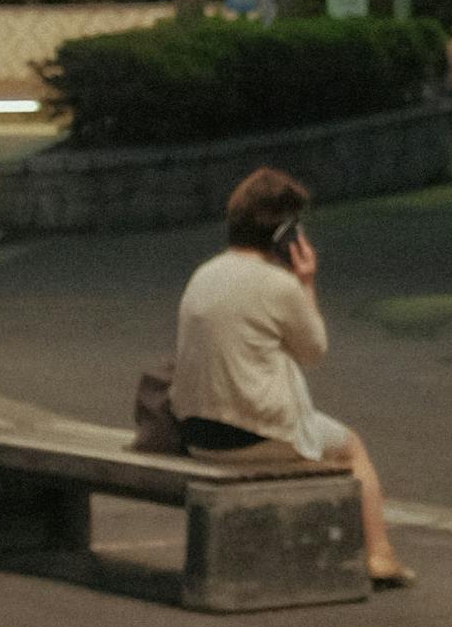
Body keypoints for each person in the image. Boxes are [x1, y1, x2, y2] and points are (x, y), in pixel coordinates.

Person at [164, 162, 410, 585]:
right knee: (352, 448)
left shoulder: (204, 274)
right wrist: (306, 281)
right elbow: (314, 350)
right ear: (285, 235)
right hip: (257, 436)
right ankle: (380, 556)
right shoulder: (279, 286)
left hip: (197, 434)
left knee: (324, 440)